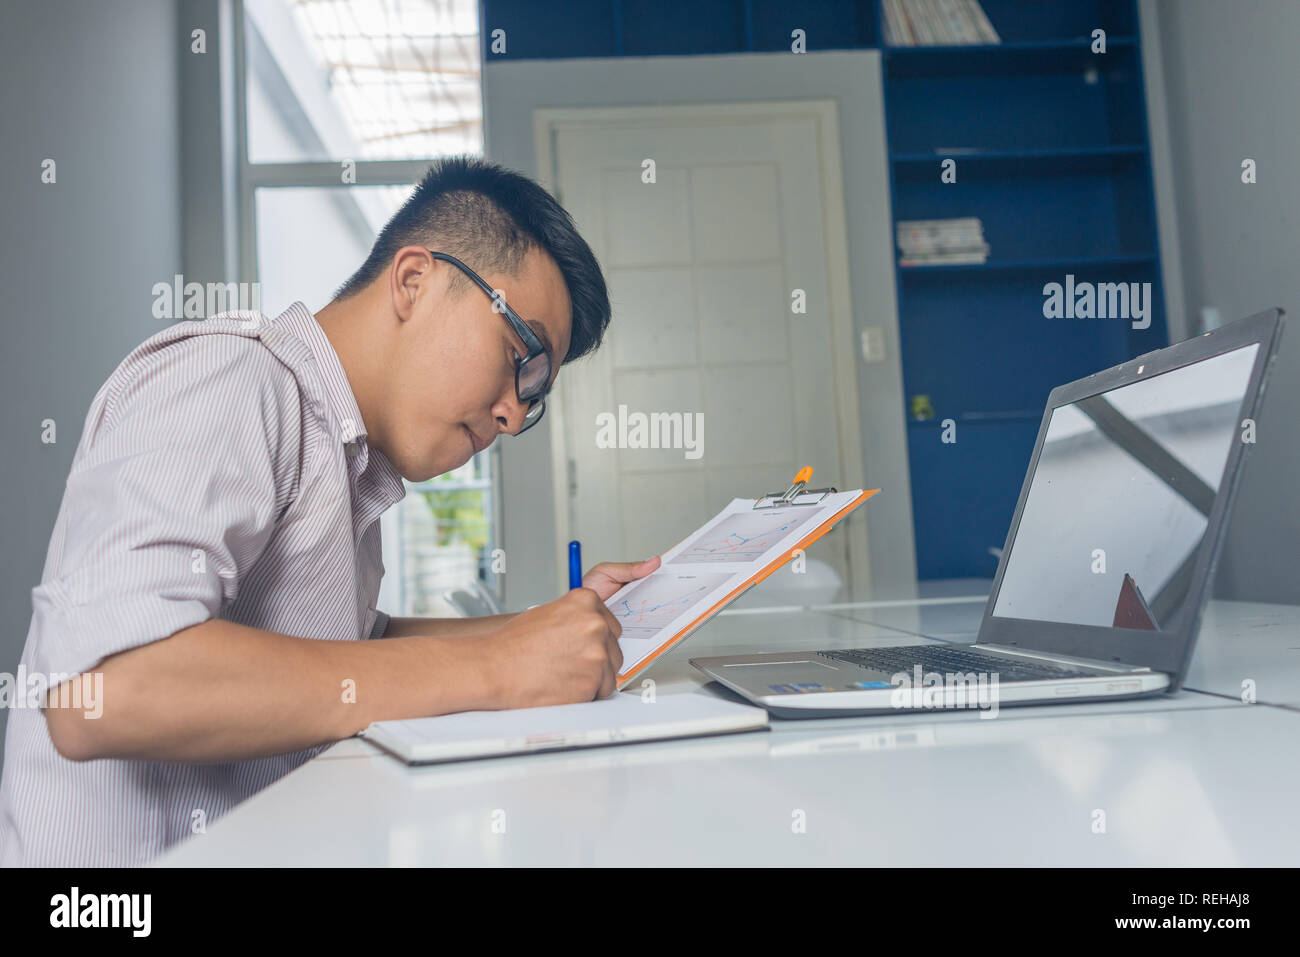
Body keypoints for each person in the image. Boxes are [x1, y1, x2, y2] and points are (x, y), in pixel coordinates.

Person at [0, 154, 659, 866]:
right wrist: (497, 667)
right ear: (415, 279)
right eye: (519, 355)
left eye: (534, 396)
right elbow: (102, 688)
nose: (510, 411)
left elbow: (343, 651)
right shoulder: (231, 379)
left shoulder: (346, 461)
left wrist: (541, 629)